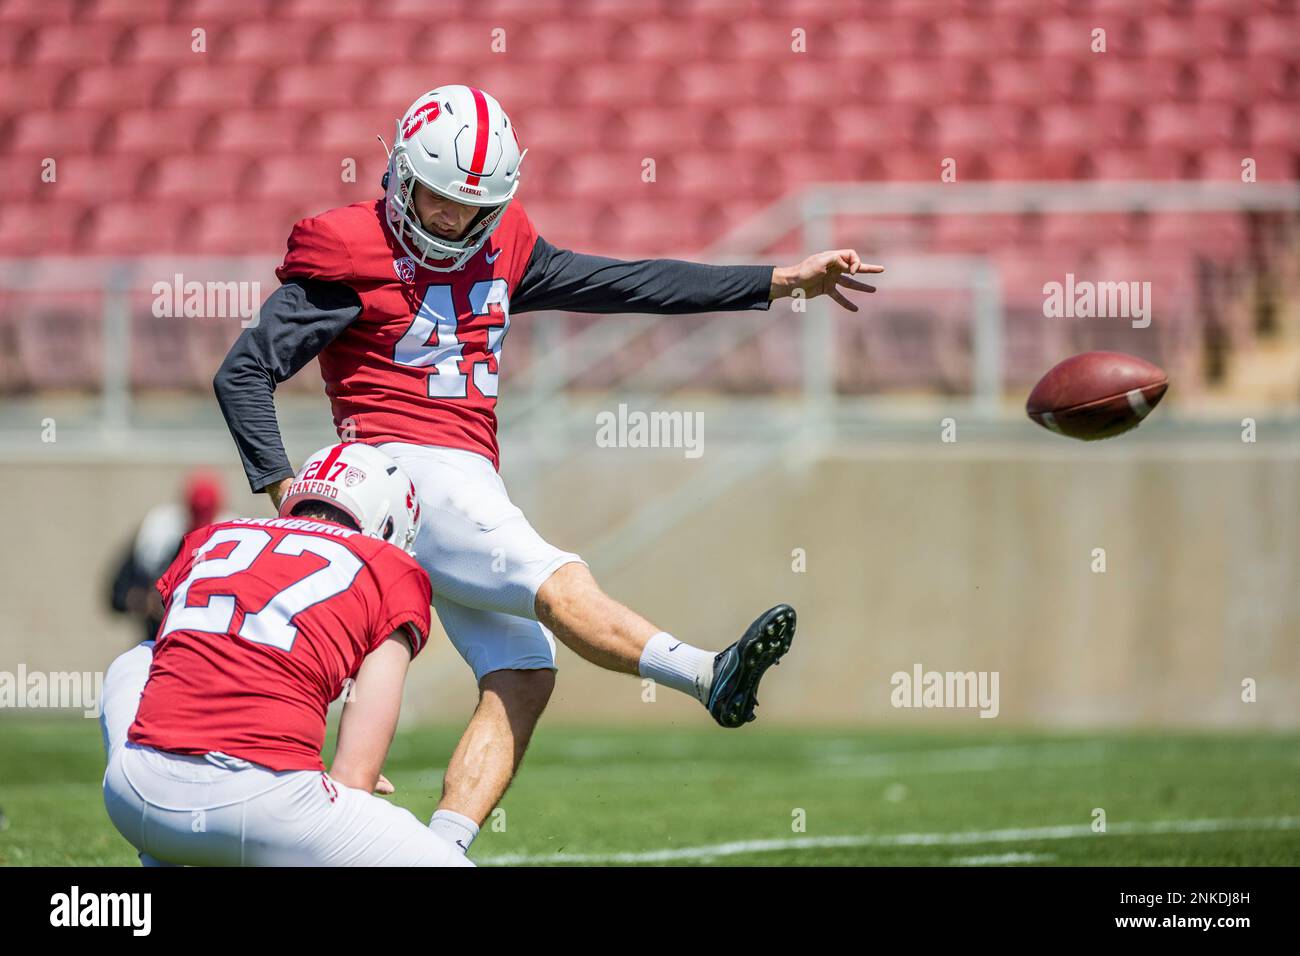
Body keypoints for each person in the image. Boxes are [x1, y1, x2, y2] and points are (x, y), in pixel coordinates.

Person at [215, 84, 882, 857]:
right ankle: (709, 673)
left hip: (465, 481)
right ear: (400, 173)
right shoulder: (350, 248)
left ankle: (439, 851)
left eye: (470, 206)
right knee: (557, 578)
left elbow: (632, 282)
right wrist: (289, 494)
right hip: (397, 469)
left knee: (525, 672)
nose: (450, 220)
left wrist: (777, 281)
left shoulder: (507, 245)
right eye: (436, 198)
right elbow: (244, 373)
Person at [99, 442, 470, 866]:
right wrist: (339, 803)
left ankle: (162, 852)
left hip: (134, 795)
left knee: (139, 657)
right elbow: (354, 777)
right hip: (267, 806)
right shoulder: (390, 569)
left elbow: (186, 659)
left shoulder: (212, 537)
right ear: (387, 525)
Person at [107, 470, 226, 642]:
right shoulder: (157, 534)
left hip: (206, 649)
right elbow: (117, 595)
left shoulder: (230, 540)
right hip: (156, 644)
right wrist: (147, 602)